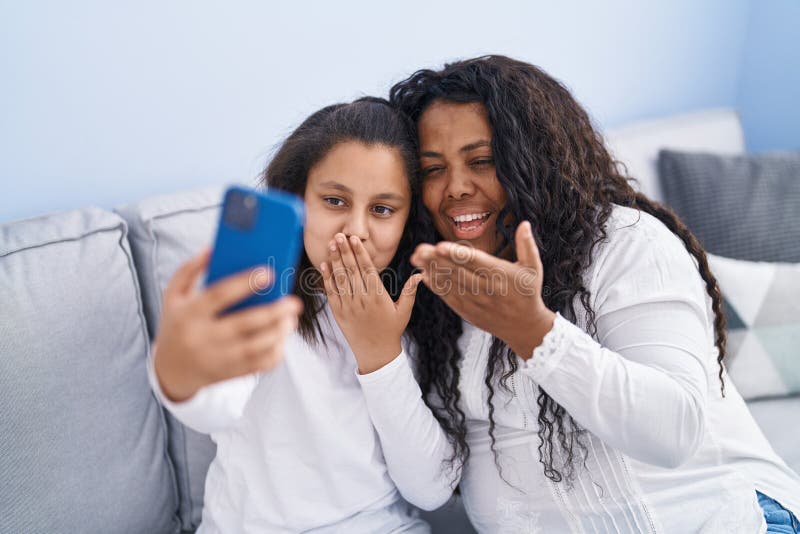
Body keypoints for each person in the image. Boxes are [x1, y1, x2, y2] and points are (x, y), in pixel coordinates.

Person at [355, 56, 800, 532]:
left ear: (535, 161)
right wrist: (379, 356)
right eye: (432, 170)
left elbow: (675, 432)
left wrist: (535, 333)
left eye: (482, 161)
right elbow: (430, 486)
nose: (455, 188)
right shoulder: (432, 286)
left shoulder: (625, 243)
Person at [147, 97, 449, 533]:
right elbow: (214, 407)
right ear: (298, 199)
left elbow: (431, 489)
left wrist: (381, 354)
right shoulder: (262, 293)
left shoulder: (418, 311)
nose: (356, 232)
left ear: (408, 222)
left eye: (382, 209)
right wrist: (179, 370)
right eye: (334, 201)